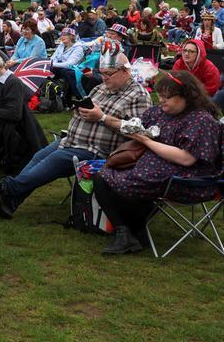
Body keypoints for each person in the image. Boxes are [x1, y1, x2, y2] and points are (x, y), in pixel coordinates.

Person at [0, 46, 151, 219]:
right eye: (102, 73)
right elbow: (90, 108)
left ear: (124, 71)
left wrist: (102, 117)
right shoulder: (101, 88)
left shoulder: (138, 95)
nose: (104, 78)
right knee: (39, 157)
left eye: (108, 74)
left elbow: (138, 131)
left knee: (54, 160)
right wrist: (81, 111)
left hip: (98, 150)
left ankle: (7, 188)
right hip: (72, 140)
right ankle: (9, 203)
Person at [93, 71, 221, 254]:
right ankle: (125, 232)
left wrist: (146, 141)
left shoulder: (201, 120)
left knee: (129, 182)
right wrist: (106, 119)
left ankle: (133, 231)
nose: (161, 100)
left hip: (188, 177)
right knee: (102, 176)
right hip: (156, 169)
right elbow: (135, 125)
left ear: (186, 96)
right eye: (160, 95)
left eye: (166, 97)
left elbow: (187, 158)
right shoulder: (160, 112)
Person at [49, 27, 86, 97]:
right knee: (45, 68)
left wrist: (52, 64)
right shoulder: (61, 46)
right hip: (59, 67)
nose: (62, 37)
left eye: (64, 35)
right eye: (61, 35)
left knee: (64, 71)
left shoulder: (78, 48)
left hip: (73, 70)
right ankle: (51, 91)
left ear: (71, 36)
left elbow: (70, 64)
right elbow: (53, 58)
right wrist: (50, 63)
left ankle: (73, 95)